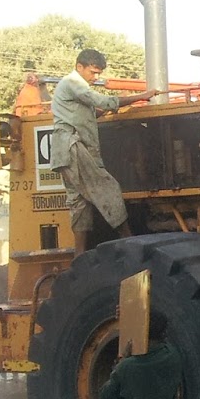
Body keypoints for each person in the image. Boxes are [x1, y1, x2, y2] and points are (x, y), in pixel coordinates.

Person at [51, 50, 157, 253]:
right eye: (93, 72)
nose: (96, 77)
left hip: (64, 151)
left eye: (98, 73)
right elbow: (101, 101)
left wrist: (113, 106)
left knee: (79, 202)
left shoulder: (72, 90)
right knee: (108, 189)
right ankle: (131, 242)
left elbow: (92, 112)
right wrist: (141, 97)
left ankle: (79, 257)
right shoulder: (73, 83)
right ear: (79, 67)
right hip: (73, 145)